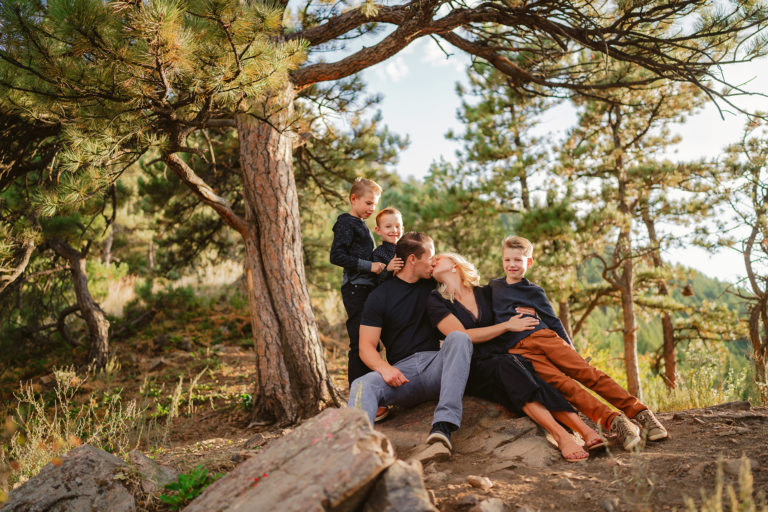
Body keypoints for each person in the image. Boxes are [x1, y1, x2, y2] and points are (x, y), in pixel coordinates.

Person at [489, 235, 668, 450]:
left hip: (543, 338)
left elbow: (553, 320)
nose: (512, 265)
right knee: (566, 387)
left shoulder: (533, 291)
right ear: (502, 260)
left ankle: (641, 413)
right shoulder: (493, 288)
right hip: (522, 353)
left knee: (587, 373)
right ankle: (617, 422)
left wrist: (569, 348)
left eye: (518, 260)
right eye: (507, 260)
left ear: (529, 262)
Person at [428, 252, 603, 462]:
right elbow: (462, 336)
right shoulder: (435, 300)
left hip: (506, 357)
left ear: (455, 264)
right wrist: (506, 326)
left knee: (529, 373)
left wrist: (529, 310)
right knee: (508, 368)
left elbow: (514, 305)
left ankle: (585, 430)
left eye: (438, 257)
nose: (433, 260)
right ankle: (561, 435)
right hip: (473, 366)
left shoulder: (486, 292)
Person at [348, 232, 473, 453]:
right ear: (412, 259)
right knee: (362, 384)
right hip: (401, 376)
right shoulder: (379, 296)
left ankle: (442, 427)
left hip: (436, 365)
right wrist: (385, 369)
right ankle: (357, 449)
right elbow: (365, 346)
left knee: (459, 338)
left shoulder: (433, 287)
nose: (434, 261)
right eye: (430, 256)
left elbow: (466, 300)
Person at [330, 178, 386, 385]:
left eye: (375, 204)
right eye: (369, 203)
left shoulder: (361, 225)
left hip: (366, 289)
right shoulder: (345, 222)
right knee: (360, 343)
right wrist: (369, 266)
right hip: (355, 289)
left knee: (371, 342)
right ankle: (358, 394)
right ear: (354, 199)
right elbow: (336, 256)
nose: (373, 208)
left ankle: (373, 390)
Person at [371, 207, 404, 284]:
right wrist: (388, 269)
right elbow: (376, 282)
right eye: (388, 226)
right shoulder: (378, 254)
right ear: (378, 230)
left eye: (397, 226)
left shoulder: (409, 248)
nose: (394, 230)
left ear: (402, 229)